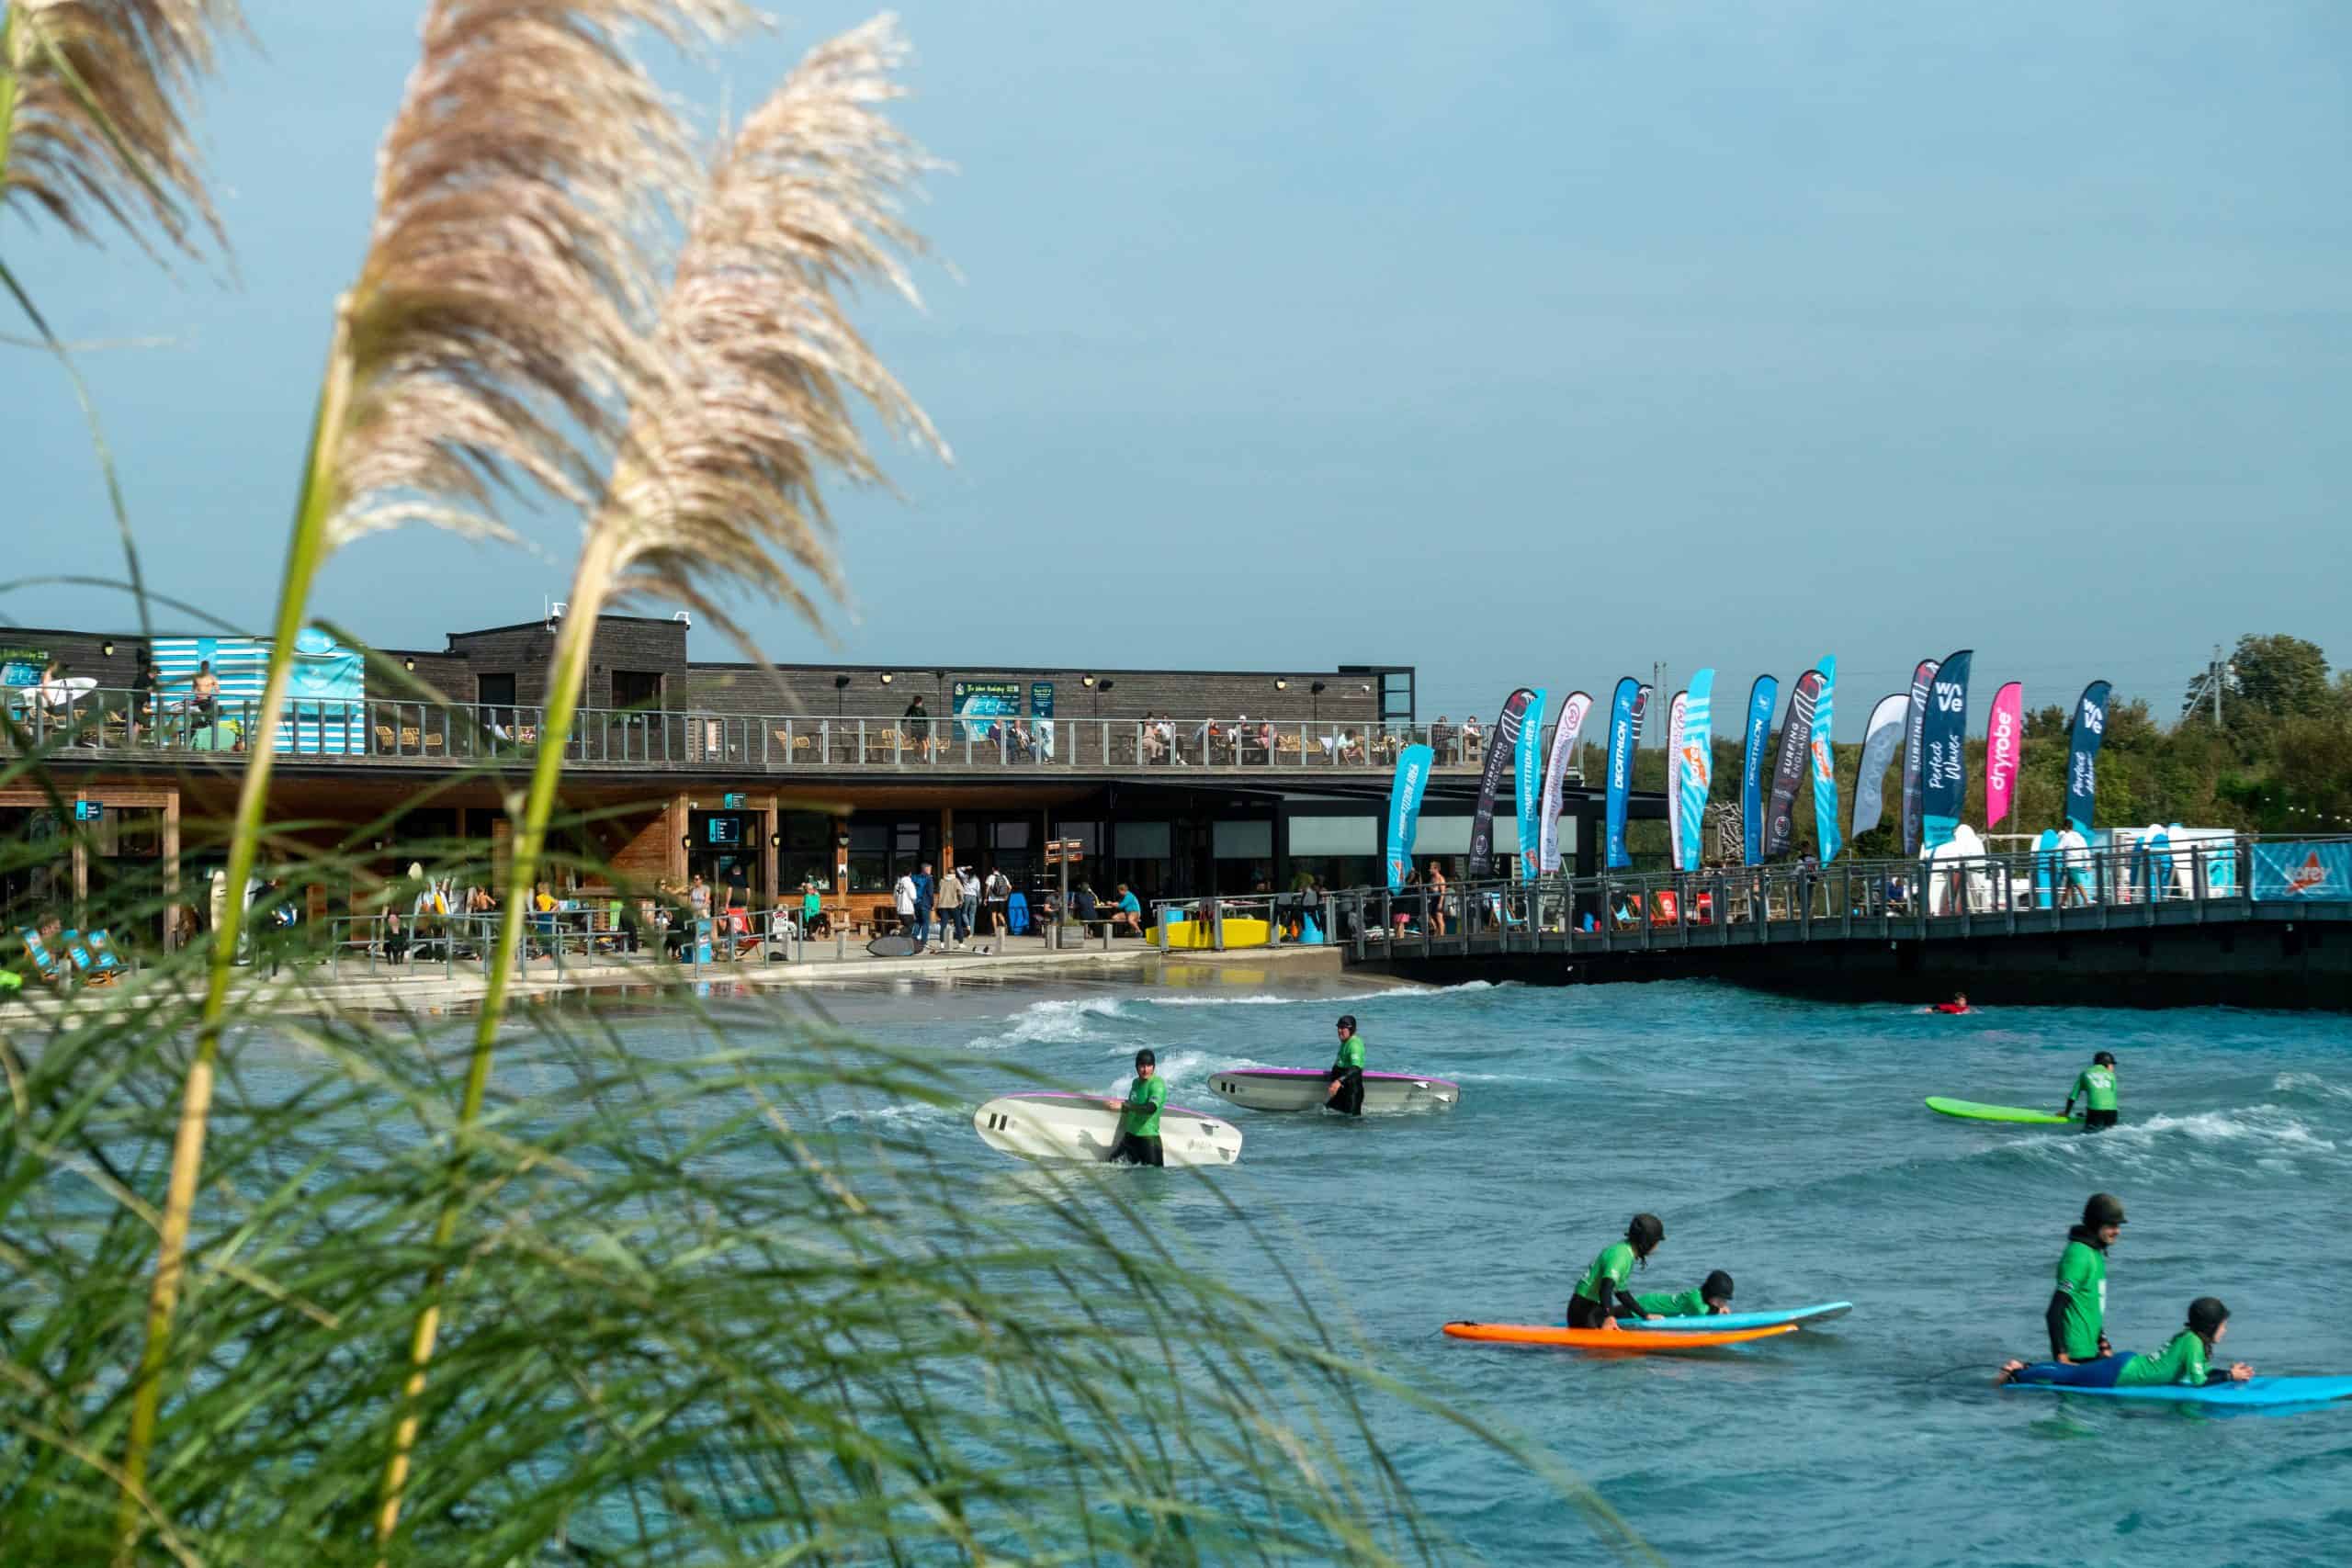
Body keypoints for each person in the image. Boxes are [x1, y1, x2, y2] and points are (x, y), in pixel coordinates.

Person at [2001, 1296, 2252, 1390]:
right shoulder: (2193, 1343)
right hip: (2118, 1374)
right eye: (2223, 1324)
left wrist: (2230, 1374)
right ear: (2210, 1326)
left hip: (2126, 1364)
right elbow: (2198, 1382)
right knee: (2070, 1376)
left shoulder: (2190, 1339)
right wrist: (2229, 1376)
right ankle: (2019, 1374)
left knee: (2074, 1373)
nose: (2225, 1329)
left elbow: (2201, 1372)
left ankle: (2026, 1367)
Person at [2044, 1193, 2125, 1364]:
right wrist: (2061, 1355)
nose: (2117, 1231)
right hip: (2074, 1356)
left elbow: (2090, 1306)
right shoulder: (2078, 1255)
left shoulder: (2094, 1253)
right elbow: (2054, 1311)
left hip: (2089, 1352)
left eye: (2118, 1225)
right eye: (2112, 1225)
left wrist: (2103, 1342)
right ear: (2097, 1225)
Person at [1568, 1213, 1667, 1328]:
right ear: (1647, 1241)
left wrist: (1645, 1315)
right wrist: (1609, 1317)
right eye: (1657, 1242)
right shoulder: (1621, 1256)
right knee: (1602, 1343)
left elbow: (1622, 1293)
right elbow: (1605, 1288)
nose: (1657, 1247)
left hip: (1593, 1307)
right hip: (1583, 1312)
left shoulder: (1626, 1251)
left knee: (1626, 1312)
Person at [1103, 1048, 1167, 1167]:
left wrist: (1124, 1106)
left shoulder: (1157, 1085)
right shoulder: (1136, 1083)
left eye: (1149, 1065)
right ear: (1136, 1067)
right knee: (1110, 1167)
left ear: (1154, 1066)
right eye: (1142, 1066)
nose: (1145, 1069)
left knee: (1152, 1180)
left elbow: (1149, 1109)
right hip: (1130, 1138)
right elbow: (1135, 1105)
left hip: (1149, 1141)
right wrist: (1117, 1105)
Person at [1628, 1269, 1736, 1319]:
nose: (1723, 1304)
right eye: (1721, 1300)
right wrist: (1718, 1310)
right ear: (1711, 1293)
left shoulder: (1698, 1294)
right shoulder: (1696, 1302)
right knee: (1613, 1315)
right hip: (1647, 1306)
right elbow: (1702, 1312)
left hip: (1652, 1301)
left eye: (1724, 1301)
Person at [2066, 1050, 2120, 1130]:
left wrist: (2066, 1113)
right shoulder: (2112, 1075)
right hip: (2112, 1112)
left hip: (2095, 1111)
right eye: (2112, 1064)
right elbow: (2113, 1095)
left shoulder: (2085, 1073)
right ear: (2107, 1064)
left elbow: (2073, 1096)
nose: (2113, 1067)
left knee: (2088, 1134)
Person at [1326, 1013, 1366, 1115]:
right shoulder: (1345, 1042)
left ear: (1351, 1030)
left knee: (1351, 1123)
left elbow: (1356, 1068)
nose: (1339, 1030)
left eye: (1343, 1028)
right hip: (1342, 1091)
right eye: (1338, 1027)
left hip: (1352, 1093)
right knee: (1327, 1111)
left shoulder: (1354, 1045)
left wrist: (1338, 1081)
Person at [935, 858, 964, 948]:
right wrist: (961, 901)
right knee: (958, 923)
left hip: (943, 905)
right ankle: (960, 942)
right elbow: (960, 892)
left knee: (943, 924)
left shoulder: (941, 881)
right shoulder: (956, 881)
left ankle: (942, 943)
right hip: (953, 904)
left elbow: (939, 891)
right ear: (954, 873)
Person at [911, 861, 935, 947]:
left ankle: (913, 939)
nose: (930, 871)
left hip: (916, 903)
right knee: (926, 923)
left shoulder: (915, 877)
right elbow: (930, 893)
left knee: (918, 921)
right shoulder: (929, 879)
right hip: (925, 903)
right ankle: (924, 942)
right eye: (930, 869)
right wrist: (932, 904)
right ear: (926, 869)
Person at [893, 867, 917, 935]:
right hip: (908, 910)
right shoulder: (910, 884)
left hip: (900, 910)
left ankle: (903, 943)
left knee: (906, 928)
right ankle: (898, 932)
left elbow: (895, 897)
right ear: (910, 874)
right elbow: (913, 897)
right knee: (910, 927)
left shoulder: (897, 885)